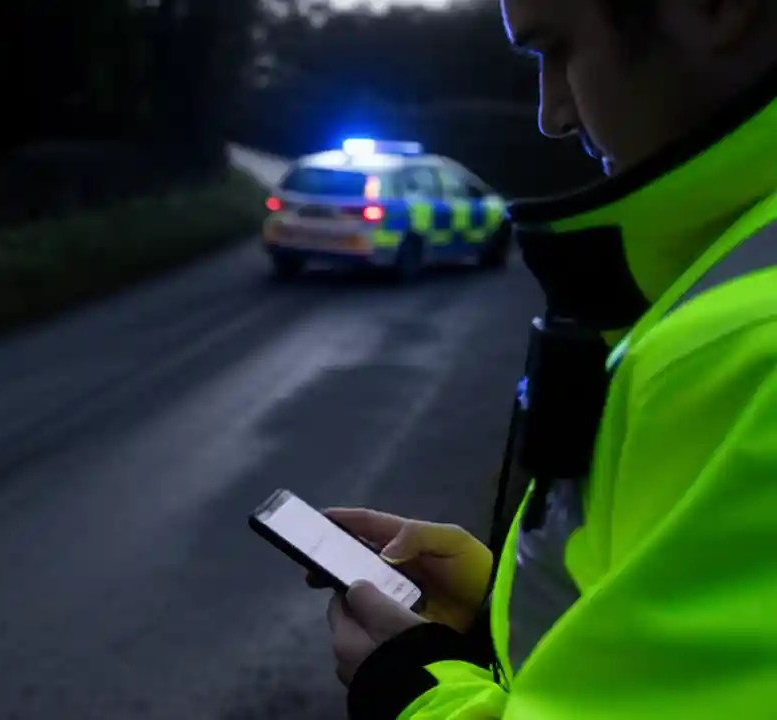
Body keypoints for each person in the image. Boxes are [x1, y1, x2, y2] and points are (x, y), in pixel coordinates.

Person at [314, 1, 777, 718]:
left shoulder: (741, 348)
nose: (552, 113)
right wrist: (499, 598)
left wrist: (407, 686)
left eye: (557, 50)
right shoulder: (741, 276)